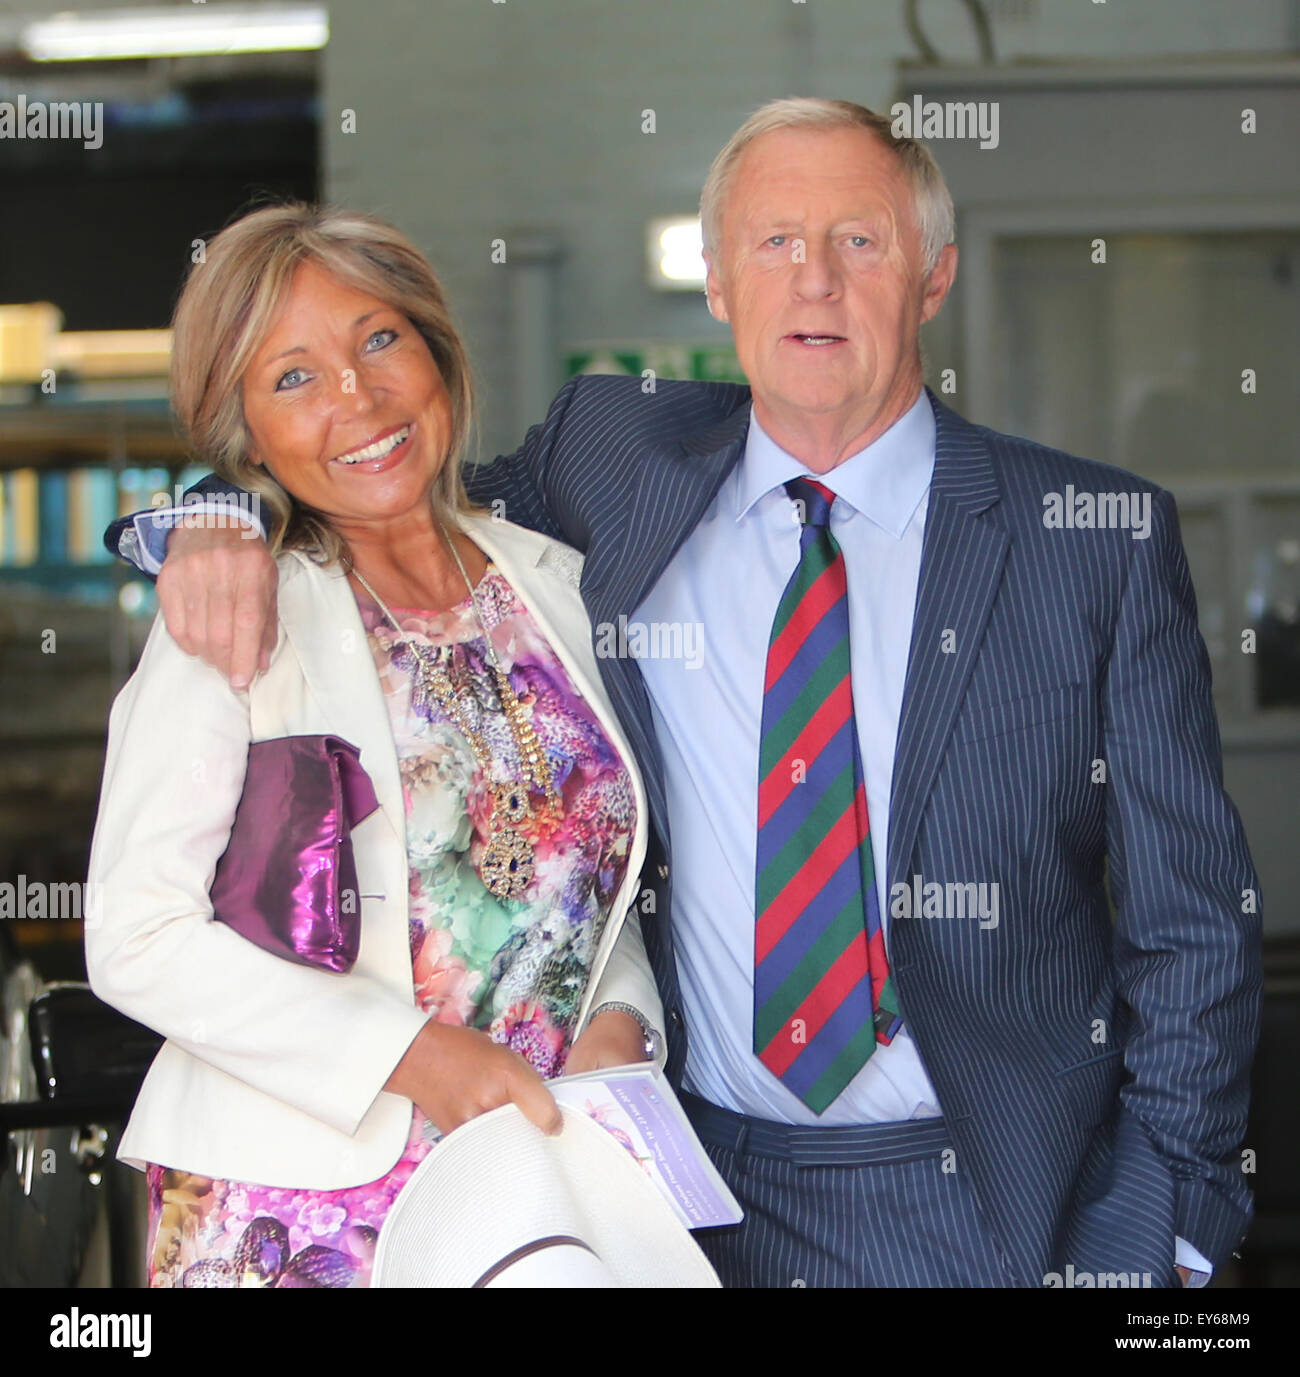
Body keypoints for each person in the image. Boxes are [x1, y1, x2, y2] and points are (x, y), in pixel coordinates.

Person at [107, 99, 1261, 1289]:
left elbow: (1190, 924)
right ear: (715, 280)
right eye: (772, 242)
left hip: (1000, 1202)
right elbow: (360, 483)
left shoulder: (1091, 541)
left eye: (858, 241)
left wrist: (1163, 1233)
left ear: (932, 276)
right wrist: (212, 514)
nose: (811, 281)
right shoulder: (610, 468)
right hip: (686, 1202)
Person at [87, 204, 664, 1288]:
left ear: (435, 349)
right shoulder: (235, 613)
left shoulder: (558, 589)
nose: (357, 397)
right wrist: (407, 1056)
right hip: (296, 1220)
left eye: (378, 339)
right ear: (246, 430)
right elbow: (136, 933)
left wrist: (625, 1019)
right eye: (292, 377)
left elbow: (596, 881)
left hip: (531, 1199)